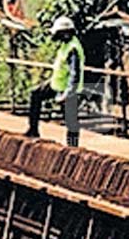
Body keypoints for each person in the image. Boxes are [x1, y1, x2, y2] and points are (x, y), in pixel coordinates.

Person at [26, 16, 85, 147]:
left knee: (71, 119)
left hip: (68, 88)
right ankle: (33, 130)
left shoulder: (73, 48)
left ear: (65, 33)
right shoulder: (66, 45)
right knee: (36, 94)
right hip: (56, 84)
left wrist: (67, 94)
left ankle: (73, 147)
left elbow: (74, 74)